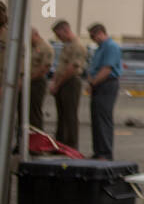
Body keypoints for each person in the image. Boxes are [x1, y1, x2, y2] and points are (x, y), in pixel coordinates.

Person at [84, 23, 122, 160]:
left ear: (100, 33)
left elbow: (107, 69)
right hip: (97, 85)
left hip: (106, 84)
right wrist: (91, 81)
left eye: (93, 36)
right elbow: (93, 67)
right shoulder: (100, 48)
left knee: (103, 119)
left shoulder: (111, 47)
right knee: (96, 119)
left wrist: (93, 83)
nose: (93, 39)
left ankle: (105, 153)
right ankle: (98, 151)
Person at [49, 20, 86, 151]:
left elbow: (72, 68)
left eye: (59, 35)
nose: (58, 38)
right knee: (62, 115)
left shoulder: (77, 46)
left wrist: (57, 84)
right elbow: (60, 66)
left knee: (70, 115)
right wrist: (54, 82)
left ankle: (71, 146)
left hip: (70, 82)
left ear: (66, 30)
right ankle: (60, 144)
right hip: (62, 82)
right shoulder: (67, 45)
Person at [30, 28, 54, 130]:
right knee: (25, 111)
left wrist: (28, 79)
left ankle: (36, 139)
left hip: (36, 82)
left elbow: (44, 68)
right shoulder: (32, 47)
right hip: (28, 82)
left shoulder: (46, 48)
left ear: (35, 35)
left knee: (34, 112)